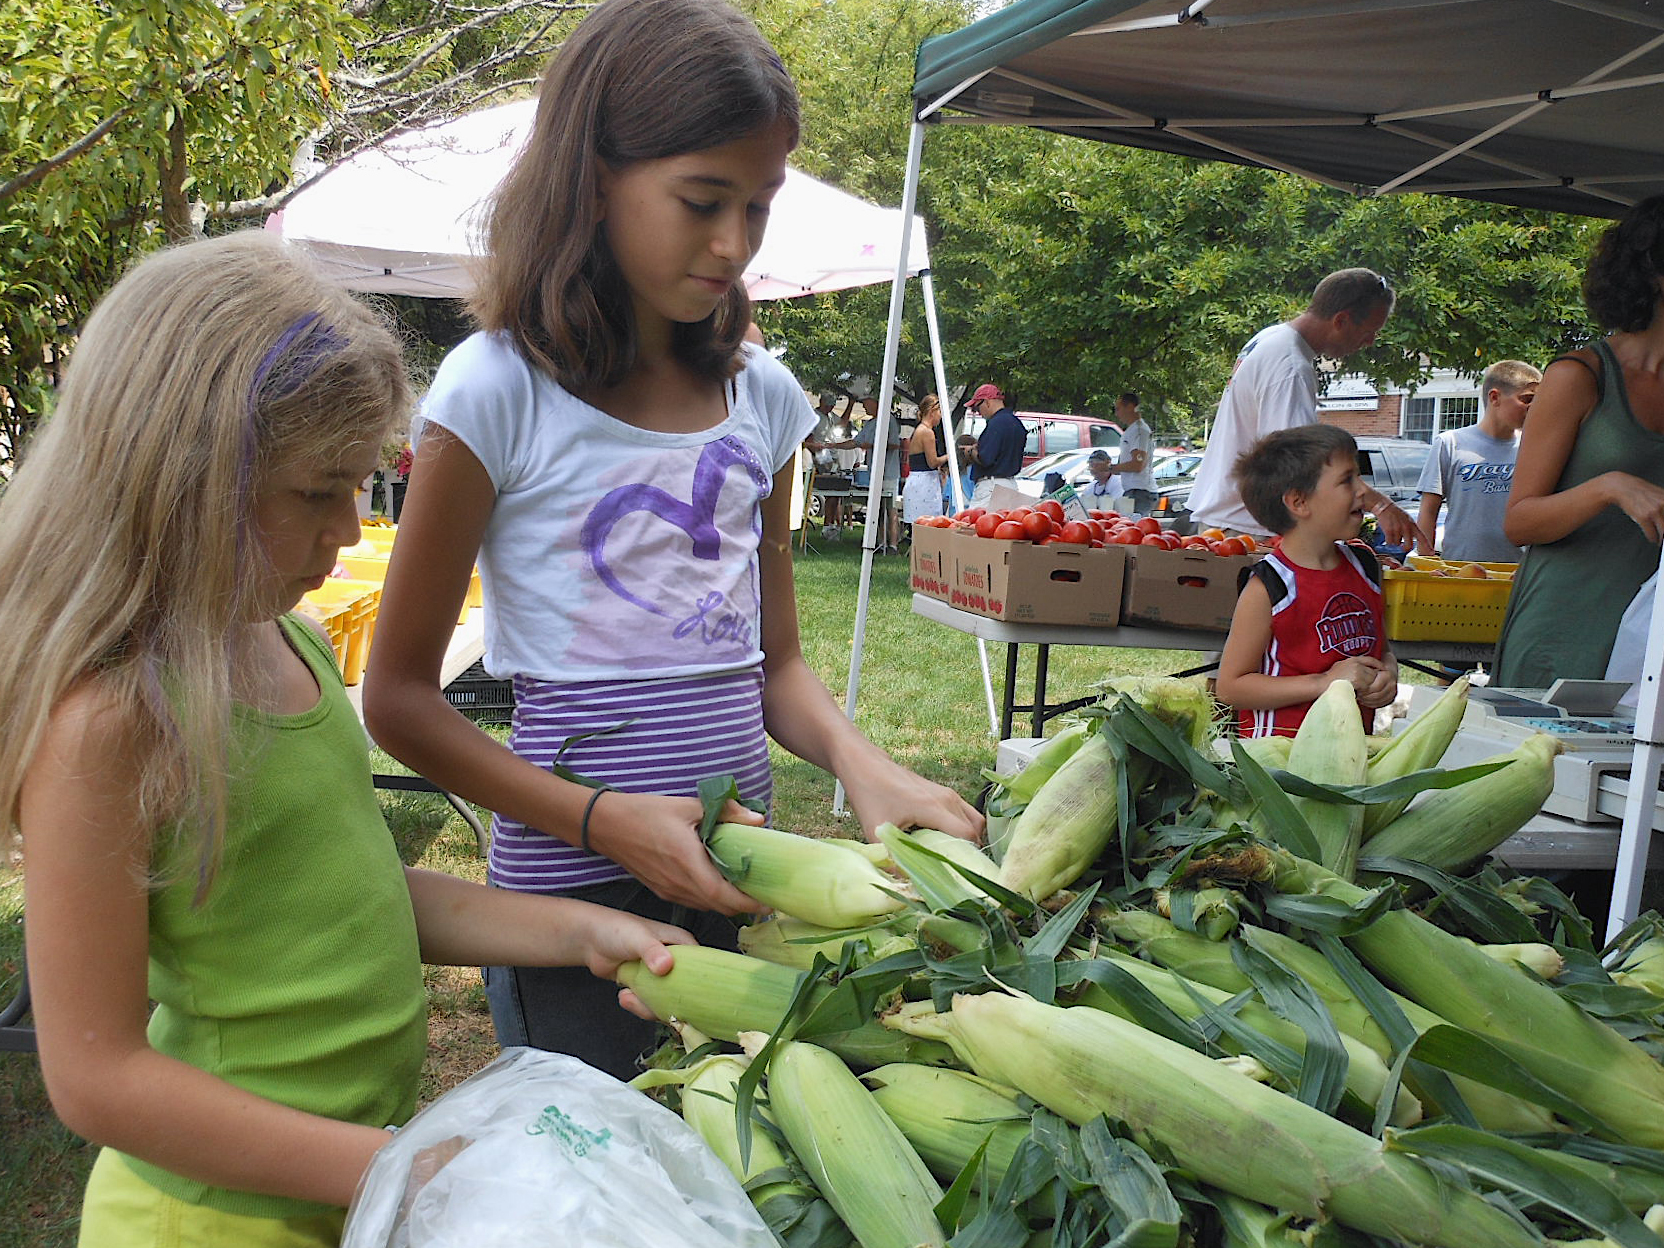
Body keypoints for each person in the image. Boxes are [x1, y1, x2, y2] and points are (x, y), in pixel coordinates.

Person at [0, 232, 691, 1247]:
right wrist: (393, 1167)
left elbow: (351, 896)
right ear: (181, 476)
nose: (352, 530)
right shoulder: (110, 723)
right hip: (208, 1221)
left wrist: (580, 932)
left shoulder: (296, 644)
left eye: (361, 484)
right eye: (316, 490)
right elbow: (97, 1077)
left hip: (349, 1187)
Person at [362, 0, 982, 1082]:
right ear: (593, 178)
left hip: (746, 885)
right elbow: (400, 701)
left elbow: (775, 667)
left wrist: (863, 764)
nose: (735, 244)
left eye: (759, 206)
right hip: (568, 913)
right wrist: (602, 822)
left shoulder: (765, 400)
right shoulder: (495, 392)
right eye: (702, 202)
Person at [1495, 194, 1664, 686]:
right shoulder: (1579, 376)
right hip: (1565, 630)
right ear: (1654, 272)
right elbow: (1520, 522)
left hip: (1649, 638)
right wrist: (1608, 487)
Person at [1187, 269, 1425, 550]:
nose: (1370, 341)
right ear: (1341, 320)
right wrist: (1380, 506)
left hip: (1230, 523)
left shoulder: (1271, 339)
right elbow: (1298, 465)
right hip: (1247, 531)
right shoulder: (1290, 368)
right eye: (1369, 331)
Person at [1217, 423, 1398, 737]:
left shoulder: (1366, 567)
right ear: (1299, 503)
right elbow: (1231, 687)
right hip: (1278, 757)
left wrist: (1388, 677)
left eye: (1359, 477)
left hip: (1350, 750)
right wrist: (1324, 683)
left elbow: (1382, 650)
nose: (1362, 490)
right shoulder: (1269, 585)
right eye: (1347, 480)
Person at [1414, 360, 1540, 563]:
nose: (1534, 407)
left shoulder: (1535, 448)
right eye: (1527, 399)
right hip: (1461, 569)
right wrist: (1426, 563)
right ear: (1495, 397)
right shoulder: (1450, 443)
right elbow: (1428, 511)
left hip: (1517, 572)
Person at [966, 382, 1025, 506]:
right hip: (1011, 485)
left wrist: (971, 452)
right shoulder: (1017, 424)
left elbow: (985, 458)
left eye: (976, 408)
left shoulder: (995, 424)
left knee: (975, 519)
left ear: (987, 402)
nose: (978, 413)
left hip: (991, 487)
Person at [902, 393, 948, 525]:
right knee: (929, 526)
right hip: (925, 484)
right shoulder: (927, 432)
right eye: (939, 412)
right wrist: (948, 456)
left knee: (916, 526)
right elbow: (932, 462)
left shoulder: (918, 430)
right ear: (932, 411)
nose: (940, 416)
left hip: (915, 480)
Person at [1109, 391, 1154, 513]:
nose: (1116, 414)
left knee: (1134, 523)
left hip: (1140, 492)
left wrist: (1110, 468)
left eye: (1118, 409)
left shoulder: (1139, 430)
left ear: (1129, 407)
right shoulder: (1132, 430)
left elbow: (1138, 464)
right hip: (1134, 490)